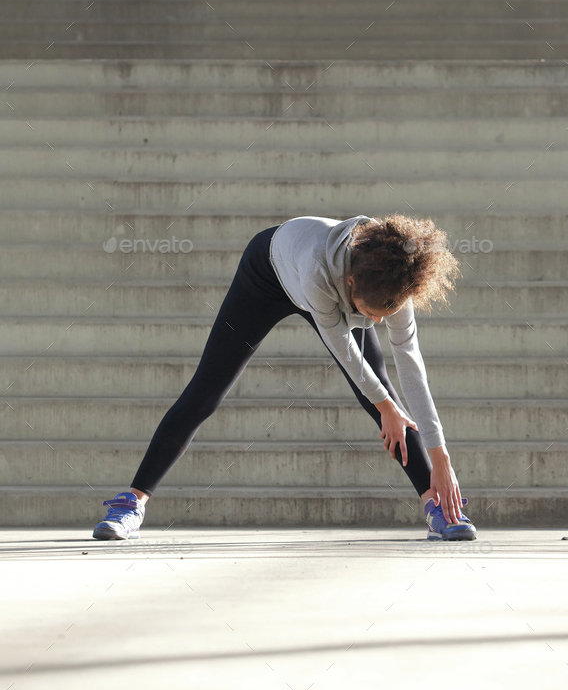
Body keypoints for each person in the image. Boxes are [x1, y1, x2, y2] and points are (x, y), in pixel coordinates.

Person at [93, 213, 477, 542]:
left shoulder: (394, 280)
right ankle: (131, 502)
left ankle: (436, 505)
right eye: (369, 313)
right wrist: (386, 406)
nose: (375, 322)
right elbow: (346, 353)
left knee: (386, 398)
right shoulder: (318, 273)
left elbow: (410, 363)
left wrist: (440, 454)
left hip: (337, 279)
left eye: (383, 314)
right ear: (351, 284)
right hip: (266, 274)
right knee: (206, 391)